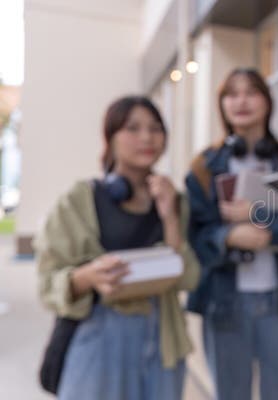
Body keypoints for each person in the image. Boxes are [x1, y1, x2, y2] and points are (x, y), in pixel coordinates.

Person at [35, 96, 200, 399]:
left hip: (162, 338)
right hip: (99, 336)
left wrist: (170, 217)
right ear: (110, 137)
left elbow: (187, 277)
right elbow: (47, 283)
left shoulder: (174, 200)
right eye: (133, 128)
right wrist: (88, 277)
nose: (147, 137)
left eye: (155, 128)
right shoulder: (80, 200)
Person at [185, 68, 278, 400]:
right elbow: (194, 236)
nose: (241, 101)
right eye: (232, 94)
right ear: (222, 104)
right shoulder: (203, 166)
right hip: (224, 301)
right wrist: (227, 238)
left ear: (267, 101)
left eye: (251, 92)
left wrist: (266, 224)